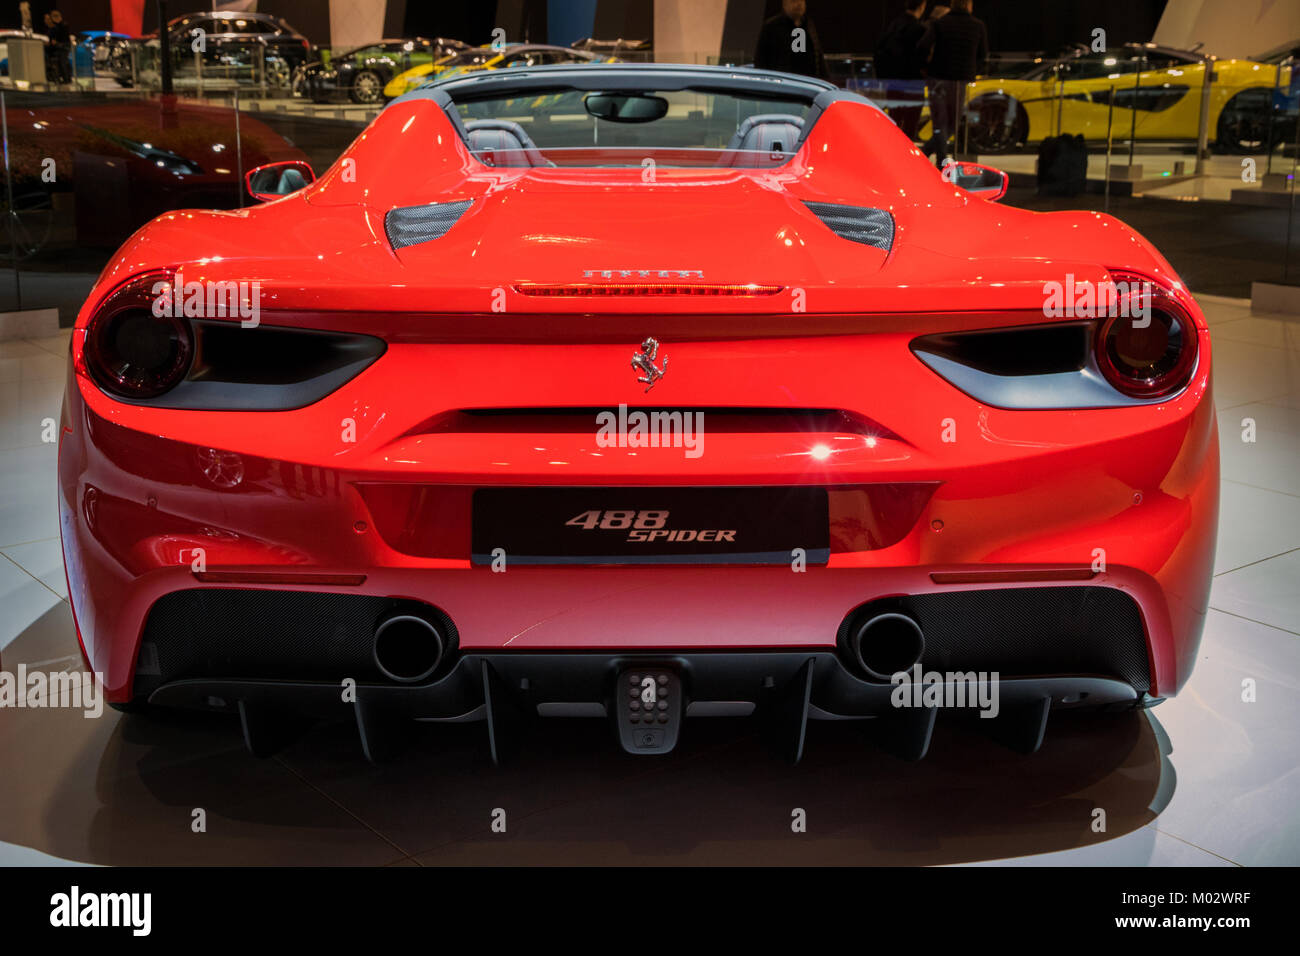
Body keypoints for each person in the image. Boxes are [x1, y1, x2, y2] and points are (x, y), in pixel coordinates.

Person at [918, 0, 988, 165]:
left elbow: (922, 47)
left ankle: (930, 155)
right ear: (969, 5)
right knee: (952, 124)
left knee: (939, 122)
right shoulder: (978, 26)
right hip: (960, 79)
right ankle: (937, 157)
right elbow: (983, 55)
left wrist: (925, 68)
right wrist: (972, 70)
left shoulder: (940, 24)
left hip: (938, 77)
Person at [873, 0, 928, 140]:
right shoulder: (919, 29)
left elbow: (879, 53)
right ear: (922, 6)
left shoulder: (893, 25)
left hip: (893, 84)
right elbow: (922, 58)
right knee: (910, 126)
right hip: (913, 84)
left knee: (895, 121)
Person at [753, 0, 828, 80]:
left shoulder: (808, 25)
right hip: (781, 84)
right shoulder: (772, 27)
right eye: (794, 1)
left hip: (807, 83)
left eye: (801, 1)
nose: (799, 4)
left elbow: (818, 57)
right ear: (785, 5)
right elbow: (760, 61)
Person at [44, 10, 72, 85]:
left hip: (63, 47)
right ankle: (64, 78)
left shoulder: (62, 25)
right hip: (60, 46)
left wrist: (56, 42)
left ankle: (66, 79)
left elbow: (62, 38)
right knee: (61, 63)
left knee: (63, 63)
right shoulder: (58, 26)